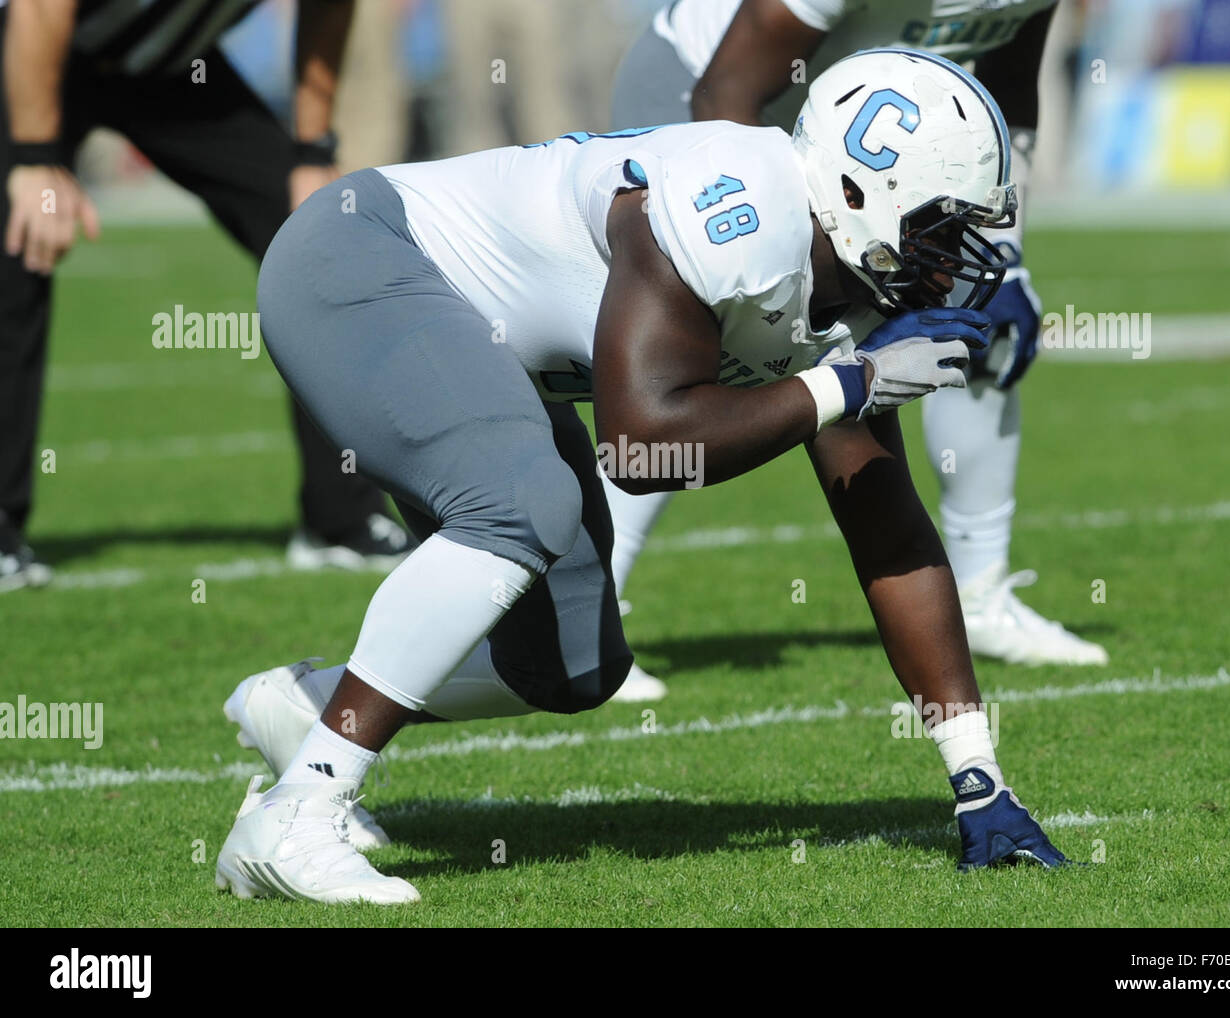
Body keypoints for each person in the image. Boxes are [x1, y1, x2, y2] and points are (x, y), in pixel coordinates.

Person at [215, 49, 1072, 904]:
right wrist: (847, 384)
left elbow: (886, 528)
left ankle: (311, 705)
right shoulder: (736, 211)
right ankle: (298, 811)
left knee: (574, 665)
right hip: (364, 260)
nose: (953, 259)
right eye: (938, 227)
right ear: (857, 194)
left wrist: (977, 776)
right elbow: (638, 443)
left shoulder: (844, 284)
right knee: (523, 505)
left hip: (475, 340)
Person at [604, 0, 1105, 703]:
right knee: (702, 345)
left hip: (873, 128)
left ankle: (984, 594)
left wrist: (1006, 252)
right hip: (717, 94)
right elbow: (724, 91)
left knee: (977, 323)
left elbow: (1009, 84)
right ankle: (591, 612)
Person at [0, 0, 414, 593]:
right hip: (43, 51)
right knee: (16, 248)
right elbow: (42, 7)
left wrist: (311, 150)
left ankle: (341, 518)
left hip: (175, 69)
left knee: (322, 240)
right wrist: (34, 161)